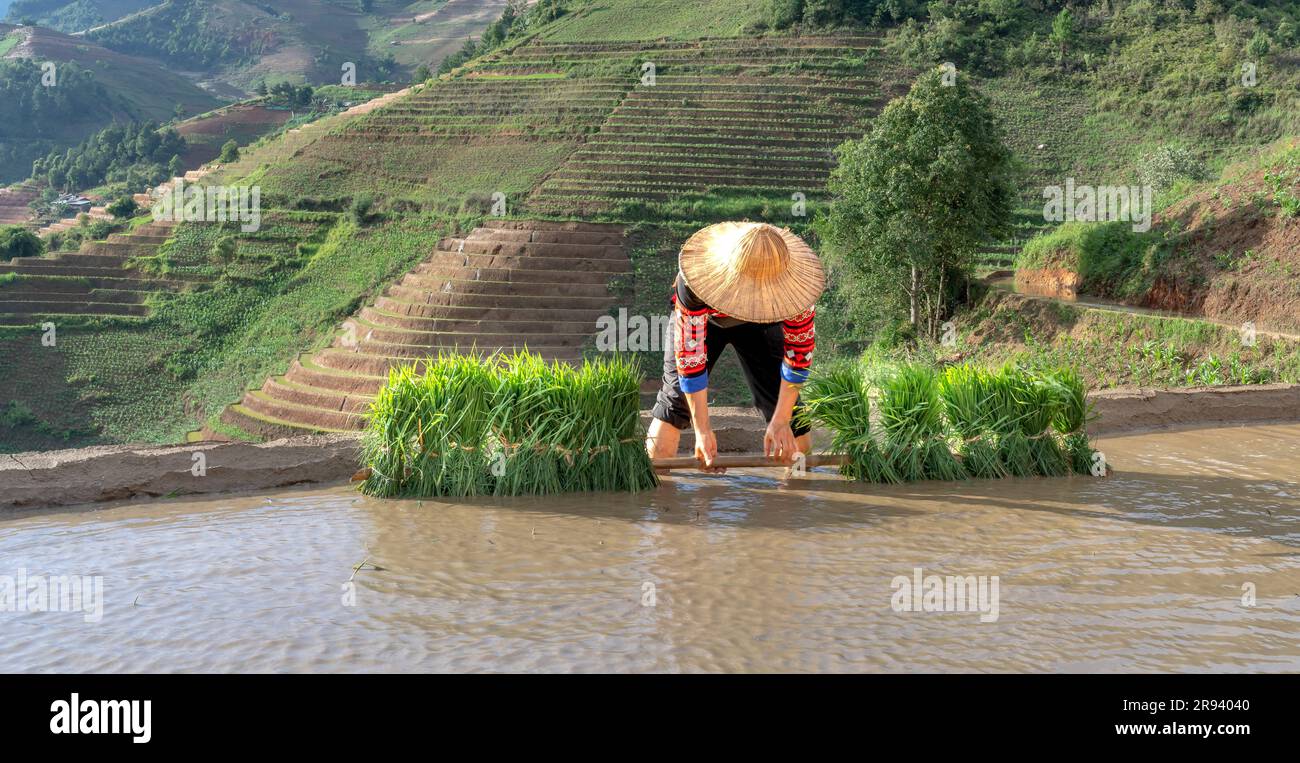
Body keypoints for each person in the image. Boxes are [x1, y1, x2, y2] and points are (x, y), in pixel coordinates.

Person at [645, 221, 825, 470]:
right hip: (707, 318)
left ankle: (795, 497)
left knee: (793, 423)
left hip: (764, 321)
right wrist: (703, 431)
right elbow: (690, 360)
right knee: (674, 403)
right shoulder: (696, 283)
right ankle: (660, 499)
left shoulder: (797, 292)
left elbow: (798, 357)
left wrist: (781, 419)